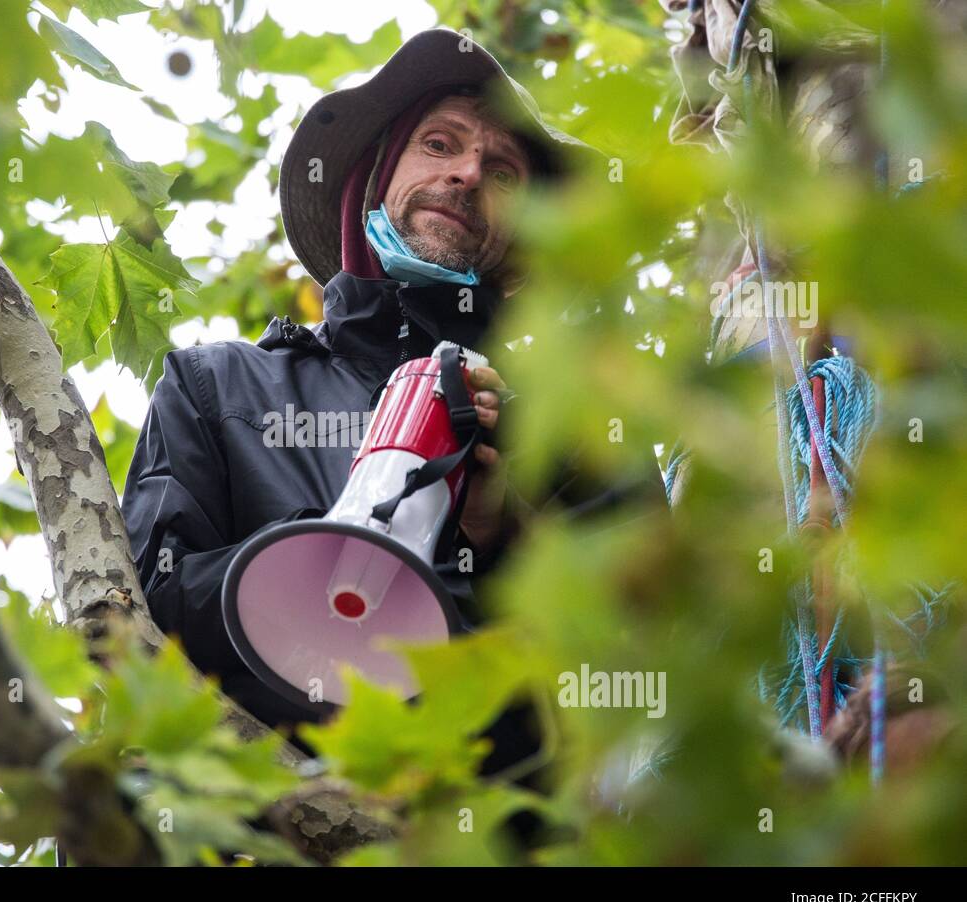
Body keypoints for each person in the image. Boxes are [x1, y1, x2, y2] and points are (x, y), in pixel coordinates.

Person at [121, 30, 663, 772]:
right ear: (372, 182)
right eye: (439, 144)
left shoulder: (582, 446)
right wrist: (319, 558)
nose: (469, 173)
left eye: (504, 173)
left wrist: (496, 537)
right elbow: (139, 619)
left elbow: (643, 692)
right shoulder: (220, 388)